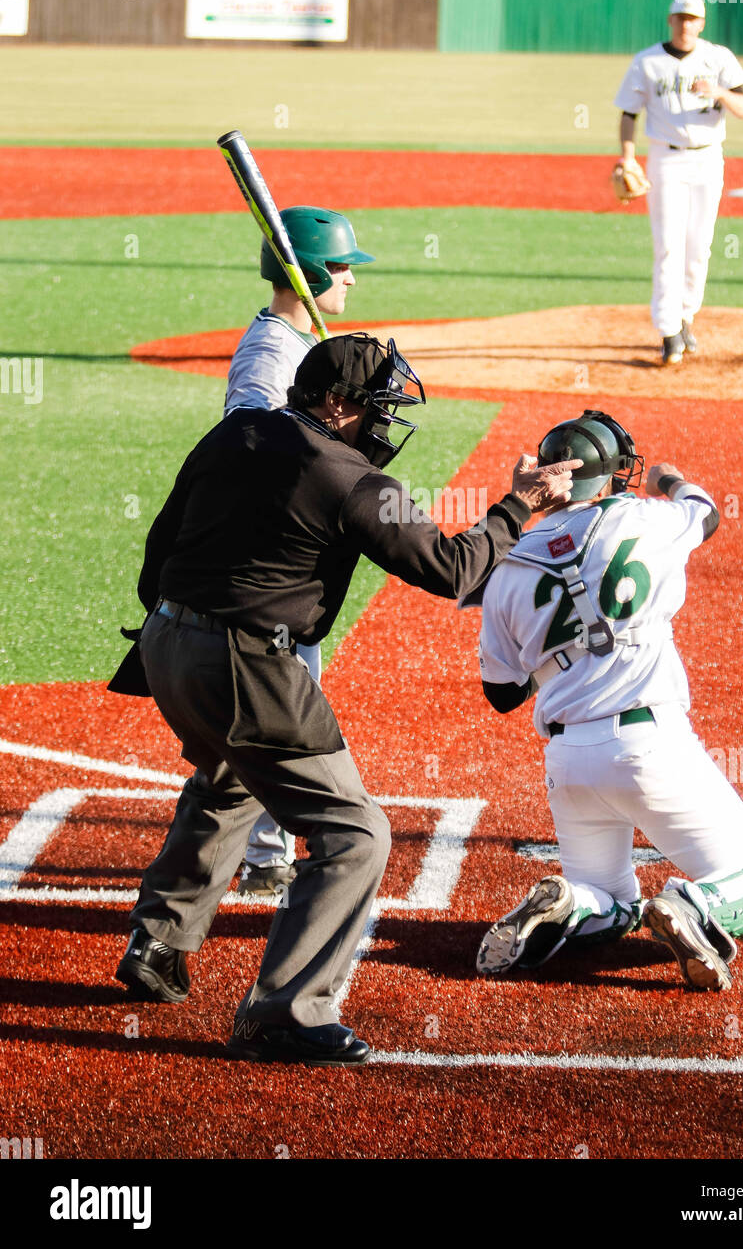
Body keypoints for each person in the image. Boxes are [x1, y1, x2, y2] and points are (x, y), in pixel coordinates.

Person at [112, 332, 581, 1066]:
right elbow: (452, 569)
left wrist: (181, 636)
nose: (384, 424)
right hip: (242, 664)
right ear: (336, 405)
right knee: (354, 835)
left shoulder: (237, 430)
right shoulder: (353, 481)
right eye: (375, 408)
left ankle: (160, 939)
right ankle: (286, 1013)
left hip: (164, 641)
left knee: (232, 778)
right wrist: (519, 505)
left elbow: (160, 543)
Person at [473, 410, 743, 992]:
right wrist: (668, 478)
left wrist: (561, 654)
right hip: (651, 747)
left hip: (569, 764)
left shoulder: (506, 566)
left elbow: (501, 693)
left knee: (614, 905)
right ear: (618, 474)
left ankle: (570, 904)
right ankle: (694, 909)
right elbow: (707, 511)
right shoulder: (649, 517)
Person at [224, 205, 374, 899]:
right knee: (279, 710)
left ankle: (263, 846)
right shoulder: (269, 354)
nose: (350, 278)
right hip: (266, 567)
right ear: (309, 273)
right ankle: (264, 854)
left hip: (289, 559)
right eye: (341, 267)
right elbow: (249, 434)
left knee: (271, 710)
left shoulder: (296, 339)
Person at [614, 0, 743, 366]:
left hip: (709, 158)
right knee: (668, 245)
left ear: (702, 23)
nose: (687, 24)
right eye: (681, 18)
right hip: (666, 159)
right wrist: (628, 158)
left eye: (693, 19)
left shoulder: (718, 58)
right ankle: (668, 330)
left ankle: (686, 316)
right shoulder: (648, 62)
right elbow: (629, 113)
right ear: (670, 21)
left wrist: (720, 91)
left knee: (700, 246)